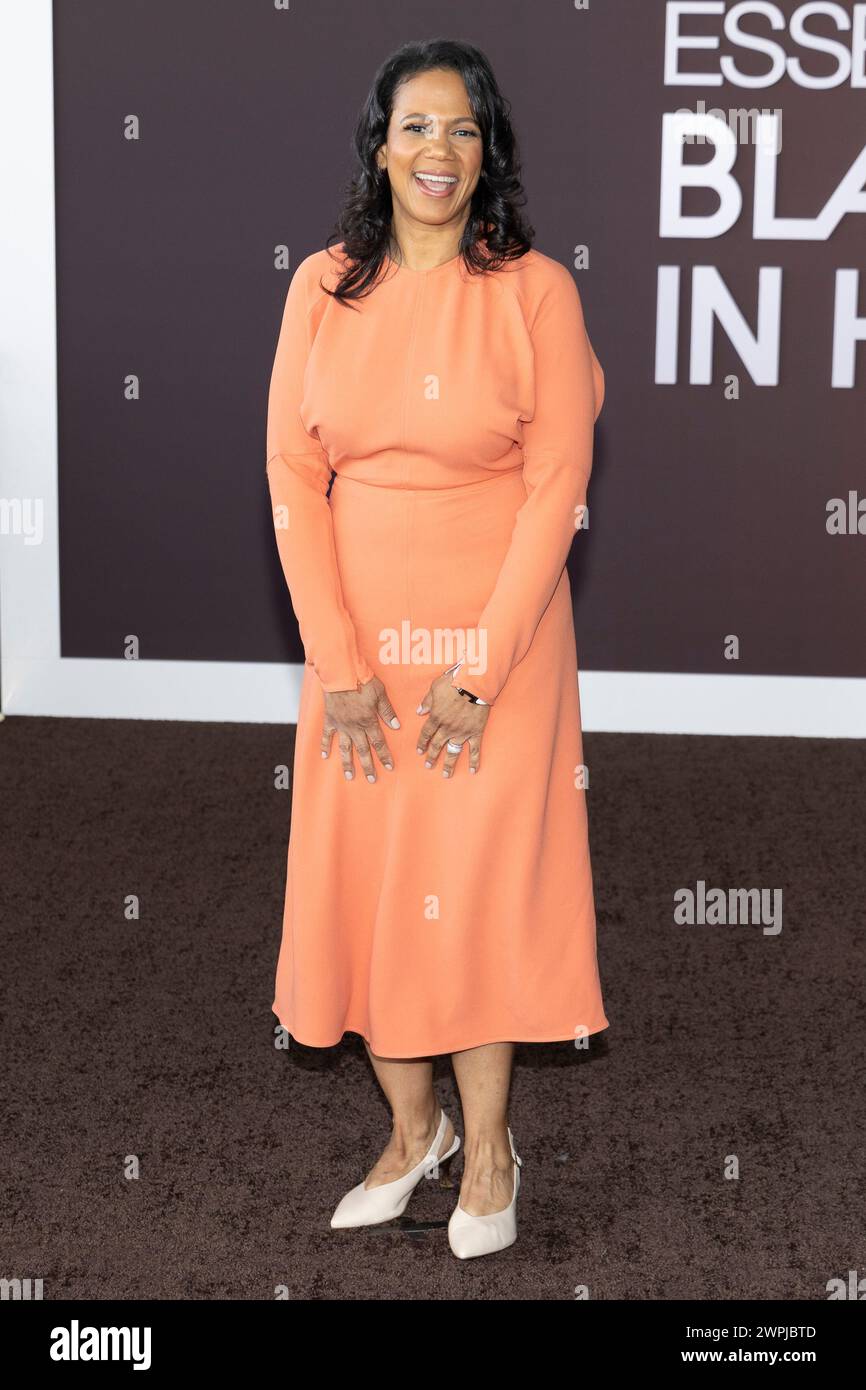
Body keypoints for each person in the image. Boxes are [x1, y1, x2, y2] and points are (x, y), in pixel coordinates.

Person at [265, 38, 608, 1260]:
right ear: (378, 143)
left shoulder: (535, 293)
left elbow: (556, 486)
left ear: (488, 153)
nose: (437, 151)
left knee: (470, 899)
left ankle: (494, 1142)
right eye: (415, 127)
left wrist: (477, 668)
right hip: (355, 644)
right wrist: (338, 662)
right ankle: (416, 1134)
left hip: (495, 649)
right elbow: (292, 476)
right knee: (368, 888)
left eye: (462, 130)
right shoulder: (320, 286)